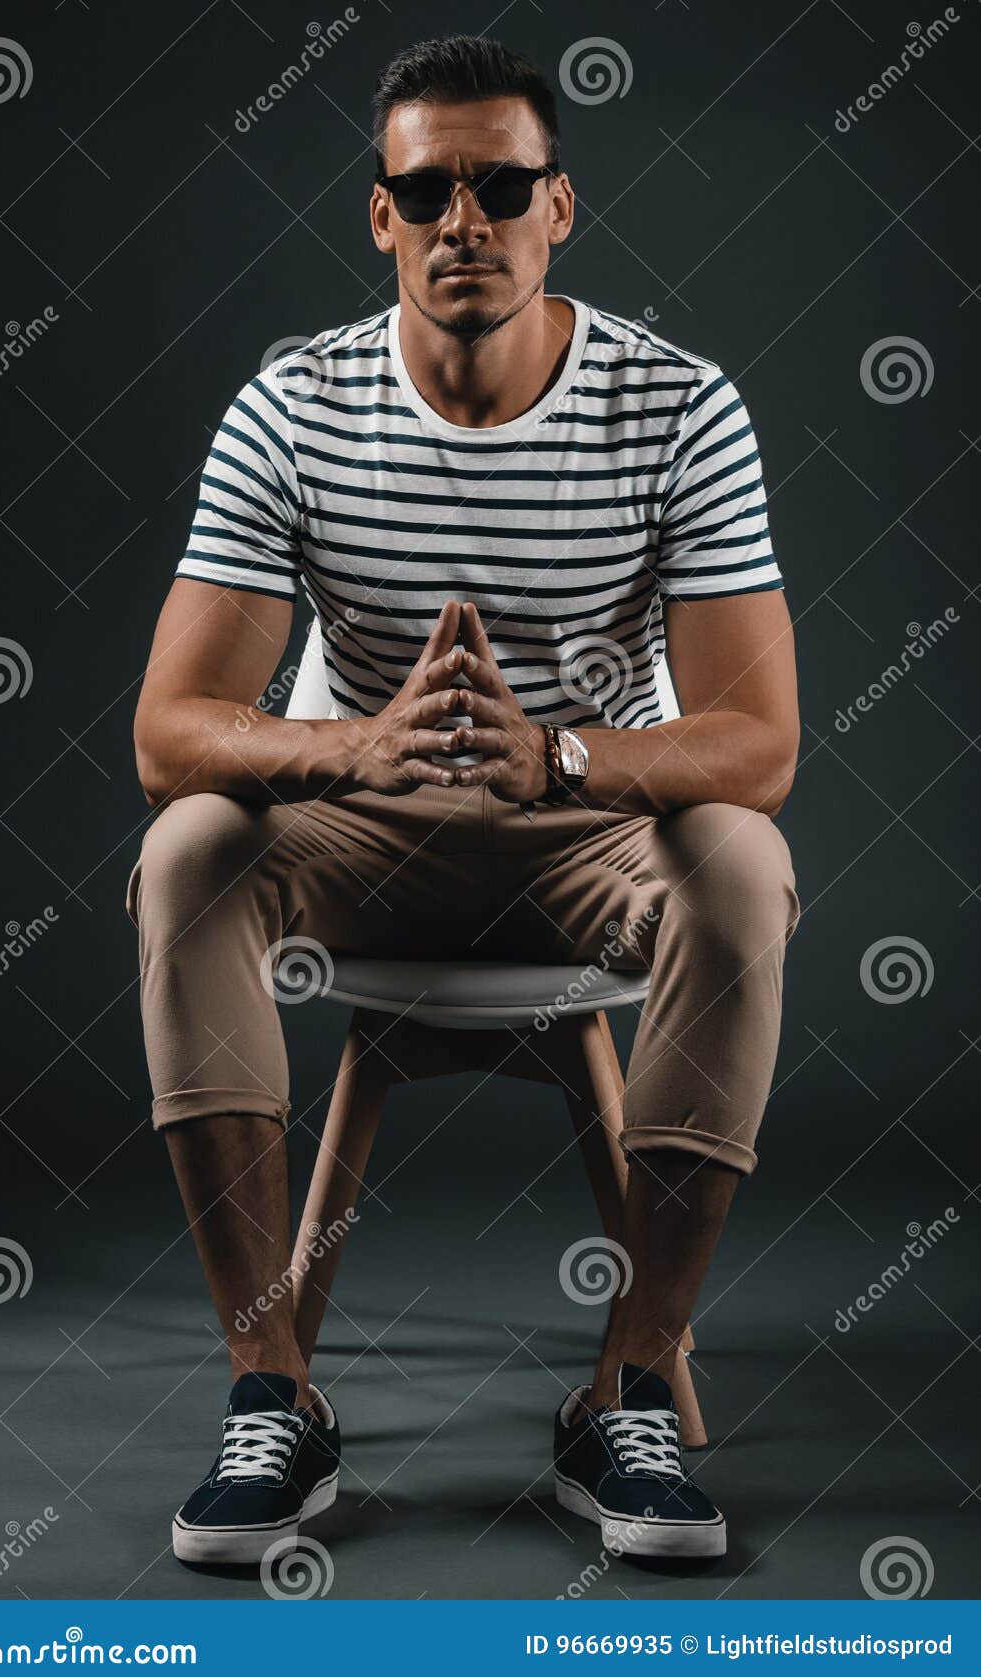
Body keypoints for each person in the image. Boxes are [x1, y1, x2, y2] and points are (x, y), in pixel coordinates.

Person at [128, 34, 800, 1567]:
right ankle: (271, 1391)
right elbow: (170, 730)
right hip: (367, 830)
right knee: (186, 850)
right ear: (382, 217)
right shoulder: (294, 406)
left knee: (743, 864)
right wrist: (352, 748)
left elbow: (758, 743)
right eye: (427, 191)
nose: (464, 221)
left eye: (501, 186)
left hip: (585, 831)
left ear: (560, 205)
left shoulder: (678, 406)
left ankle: (628, 1391)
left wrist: (558, 757)